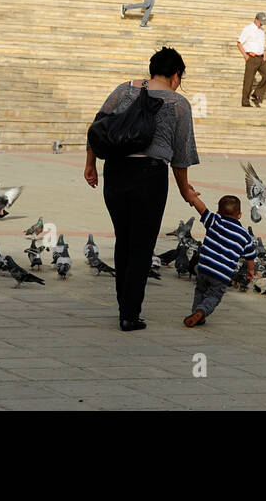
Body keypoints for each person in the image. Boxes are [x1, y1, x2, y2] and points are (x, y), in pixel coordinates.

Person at [84, 45, 200, 331]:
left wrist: (90, 165)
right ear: (176, 75)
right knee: (142, 246)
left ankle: (124, 303)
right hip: (150, 176)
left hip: (115, 173)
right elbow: (181, 155)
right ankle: (129, 313)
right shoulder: (178, 103)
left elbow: (97, 127)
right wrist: (185, 191)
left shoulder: (123, 90)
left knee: (124, 239)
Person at [182, 191, 257, 327]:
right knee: (214, 296)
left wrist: (193, 197)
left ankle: (196, 313)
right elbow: (250, 256)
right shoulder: (245, 236)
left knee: (200, 290)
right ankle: (202, 311)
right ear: (239, 215)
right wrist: (251, 270)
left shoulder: (214, 221)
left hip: (204, 268)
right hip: (222, 274)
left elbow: (201, 208)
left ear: (217, 212)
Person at [238, 12, 266, 107]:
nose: (261, 24)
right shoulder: (248, 29)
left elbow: (262, 43)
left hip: (261, 58)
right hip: (251, 57)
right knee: (248, 80)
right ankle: (245, 101)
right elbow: (239, 42)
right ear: (256, 19)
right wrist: (245, 56)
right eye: (260, 22)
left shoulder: (262, 31)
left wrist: (265, 52)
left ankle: (257, 94)